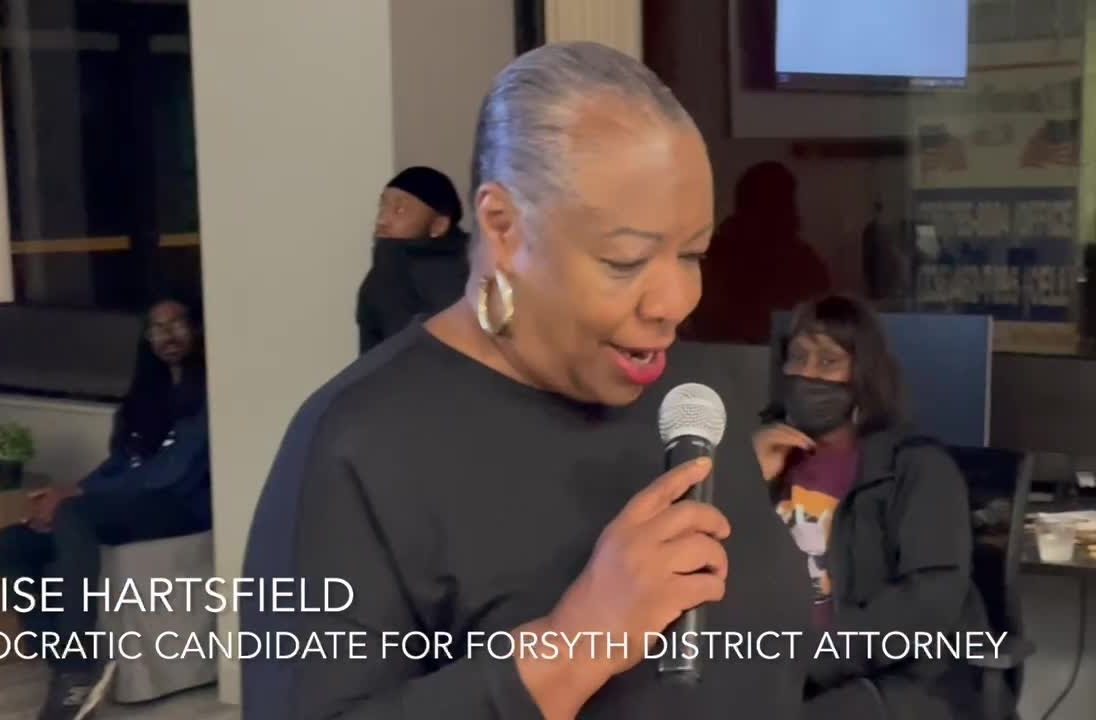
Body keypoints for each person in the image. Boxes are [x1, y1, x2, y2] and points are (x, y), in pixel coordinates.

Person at [242, 43, 812, 719]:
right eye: (625, 261)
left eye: (692, 254)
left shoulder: (688, 394)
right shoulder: (356, 448)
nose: (674, 302)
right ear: (503, 227)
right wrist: (572, 647)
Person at [752, 294, 984, 720]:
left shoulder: (915, 468)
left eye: (828, 362)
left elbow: (927, 603)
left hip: (892, 681)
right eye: (798, 358)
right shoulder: (763, 458)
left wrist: (815, 655)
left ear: (862, 377)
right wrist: (748, 481)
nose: (807, 374)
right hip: (769, 668)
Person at [0, 296, 212, 720]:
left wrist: (75, 497)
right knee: (7, 545)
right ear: (147, 339)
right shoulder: (144, 399)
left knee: (74, 514)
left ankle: (75, 673)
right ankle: (62, 658)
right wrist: (65, 494)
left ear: (197, 328)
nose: (168, 334)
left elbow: (171, 473)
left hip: (181, 506)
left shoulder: (211, 394)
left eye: (178, 323)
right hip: (130, 503)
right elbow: (119, 465)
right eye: (157, 327)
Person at [686, 161, 831, 344]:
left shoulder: (803, 262)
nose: (791, 211)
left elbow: (822, 321)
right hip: (719, 356)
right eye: (781, 203)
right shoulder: (715, 257)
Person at [356, 165, 471, 353]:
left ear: (439, 225)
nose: (381, 221)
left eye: (400, 210)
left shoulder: (465, 274)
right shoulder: (382, 271)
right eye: (382, 207)